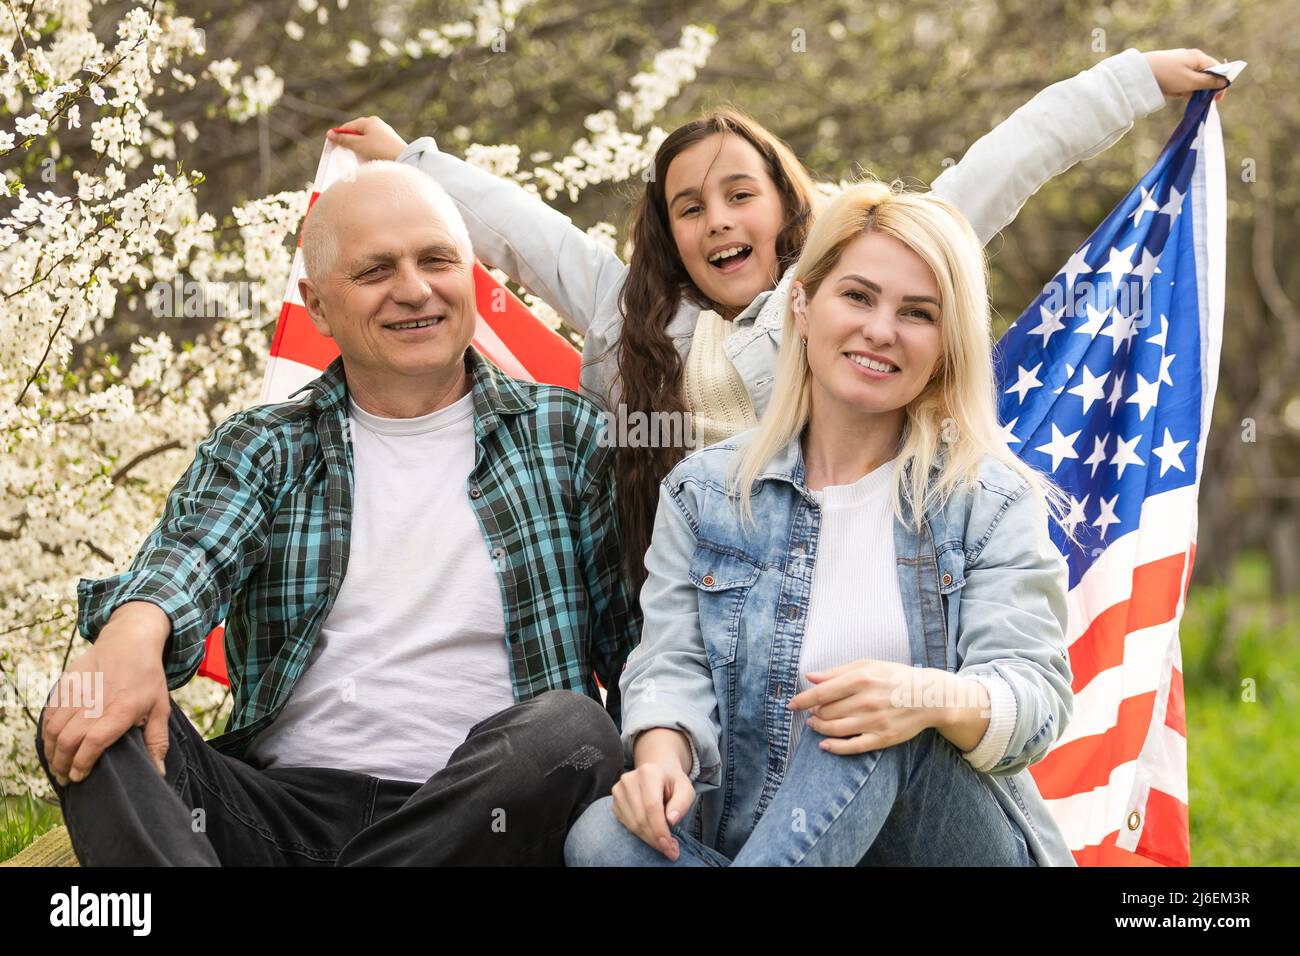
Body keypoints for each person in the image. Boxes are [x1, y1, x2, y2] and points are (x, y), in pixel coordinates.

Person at [329, 49, 1226, 590]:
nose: (717, 219)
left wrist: (1132, 79)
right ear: (669, 234)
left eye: (738, 194)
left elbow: (1000, 167)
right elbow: (517, 228)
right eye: (689, 208)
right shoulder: (624, 313)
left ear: (783, 202)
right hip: (683, 601)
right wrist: (406, 162)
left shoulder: (841, 283)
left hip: (839, 575)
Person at [36, 161, 640, 866]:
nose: (413, 289)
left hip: (483, 824)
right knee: (89, 701)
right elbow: (191, 556)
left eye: (437, 259)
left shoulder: (569, 437)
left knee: (575, 727)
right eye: (376, 270)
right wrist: (133, 635)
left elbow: (639, 654)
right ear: (317, 305)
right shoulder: (264, 445)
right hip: (274, 819)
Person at [564, 181, 1077, 866]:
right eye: (858, 296)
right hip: (761, 841)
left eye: (918, 313)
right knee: (605, 836)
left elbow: (1036, 700)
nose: (880, 330)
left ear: (946, 345)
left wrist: (922, 695)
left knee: (878, 710)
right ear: (803, 305)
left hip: (949, 849)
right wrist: (659, 756)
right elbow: (670, 665)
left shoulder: (989, 498)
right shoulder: (704, 492)